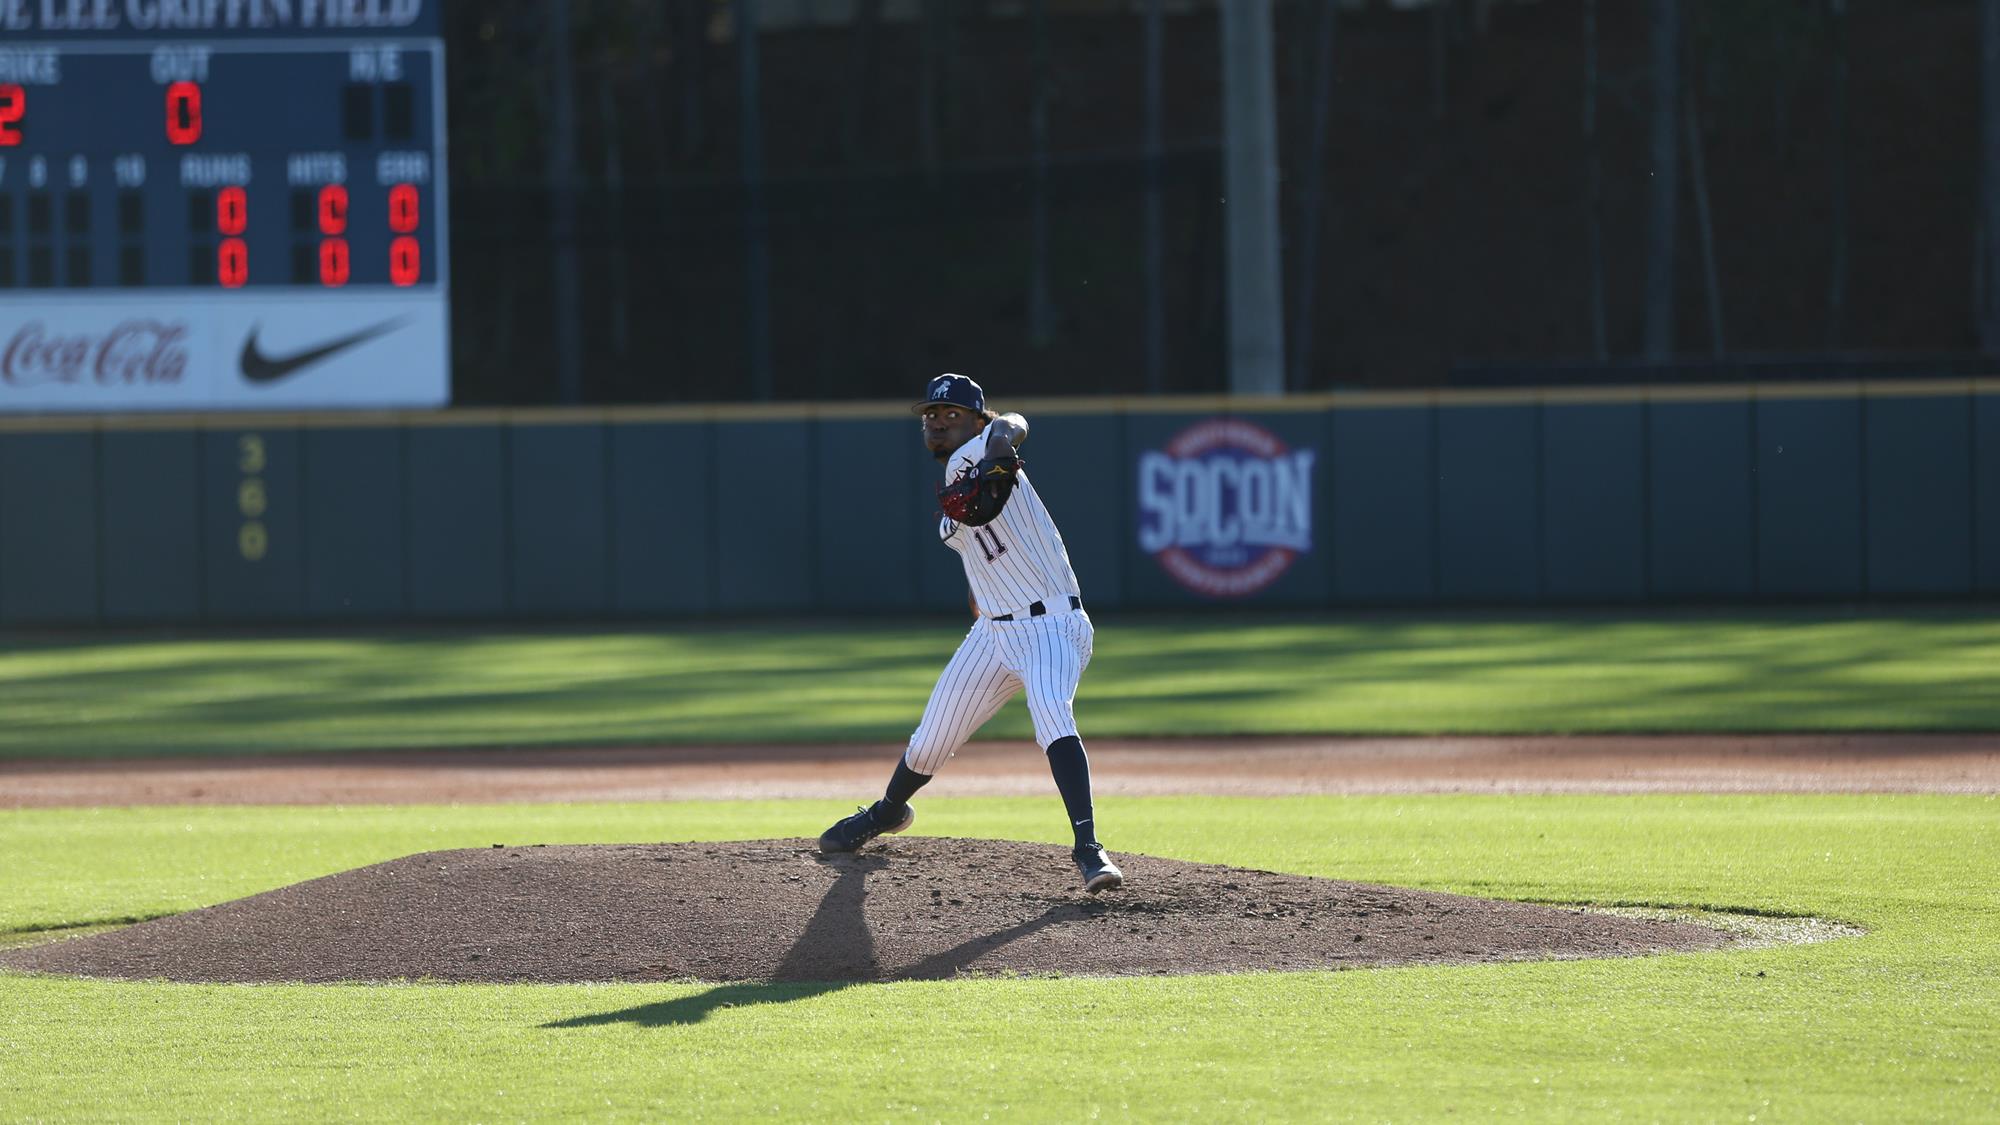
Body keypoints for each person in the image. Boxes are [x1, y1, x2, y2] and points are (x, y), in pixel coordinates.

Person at [818, 373, 1123, 893]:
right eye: (931, 416)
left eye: (951, 414)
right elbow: (984, 561)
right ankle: (887, 812)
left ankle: (1089, 849)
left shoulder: (985, 446)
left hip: (1051, 624)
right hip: (993, 633)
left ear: (977, 422)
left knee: (1052, 713)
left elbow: (1014, 422)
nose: (937, 423)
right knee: (928, 743)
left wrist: (1001, 443)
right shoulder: (954, 491)